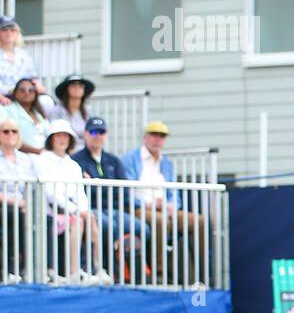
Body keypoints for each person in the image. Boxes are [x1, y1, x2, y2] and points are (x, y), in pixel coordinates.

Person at [121, 120, 206, 283]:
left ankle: (201, 271)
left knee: (199, 221)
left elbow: (173, 192)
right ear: (145, 137)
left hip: (164, 209)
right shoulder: (131, 159)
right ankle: (160, 272)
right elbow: (127, 192)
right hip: (139, 207)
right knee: (160, 222)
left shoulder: (165, 163)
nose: (157, 140)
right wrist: (150, 204)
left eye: (161, 137)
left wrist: (173, 206)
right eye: (154, 135)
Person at [74, 116, 150, 279]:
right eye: (93, 131)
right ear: (85, 135)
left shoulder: (113, 161)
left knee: (143, 228)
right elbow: (81, 191)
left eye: (101, 132)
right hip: (91, 207)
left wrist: (94, 184)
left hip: (114, 208)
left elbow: (122, 189)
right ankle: (108, 269)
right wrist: (102, 187)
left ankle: (142, 271)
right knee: (109, 226)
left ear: (106, 135)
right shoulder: (77, 160)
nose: (97, 135)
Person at [35, 119, 109, 284]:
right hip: (50, 211)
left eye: (65, 136)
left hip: (71, 210)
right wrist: (73, 209)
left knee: (90, 219)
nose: (62, 139)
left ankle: (97, 269)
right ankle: (74, 272)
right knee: (79, 223)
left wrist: (83, 210)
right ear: (51, 139)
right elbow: (49, 192)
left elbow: (80, 193)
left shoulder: (73, 165)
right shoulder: (42, 160)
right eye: (58, 136)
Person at [0, 115, 38, 280]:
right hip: (4, 204)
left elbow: (34, 186)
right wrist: (14, 202)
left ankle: (28, 268)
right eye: (5, 131)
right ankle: (11, 268)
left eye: (14, 131)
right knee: (14, 215)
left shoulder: (27, 159)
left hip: (24, 205)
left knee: (36, 216)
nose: (10, 134)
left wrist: (26, 203)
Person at [0, 16, 45, 107]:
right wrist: (1, 97)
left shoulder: (24, 55)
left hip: (25, 93)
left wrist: (38, 86)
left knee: (45, 102)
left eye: (12, 30)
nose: (9, 33)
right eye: (4, 30)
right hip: (5, 96)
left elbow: (33, 77)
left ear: (17, 33)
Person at [45, 74, 97, 148]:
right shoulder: (57, 111)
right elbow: (55, 134)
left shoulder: (88, 112)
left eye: (80, 85)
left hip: (86, 151)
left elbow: (93, 132)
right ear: (66, 89)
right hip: (65, 150)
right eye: (73, 85)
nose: (77, 88)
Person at [3, 77, 48, 154]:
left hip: (45, 154)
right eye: (22, 90)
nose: (27, 92)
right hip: (21, 155)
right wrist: (38, 151)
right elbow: (8, 137)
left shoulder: (39, 113)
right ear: (15, 93)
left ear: (35, 93)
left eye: (31, 90)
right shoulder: (8, 110)